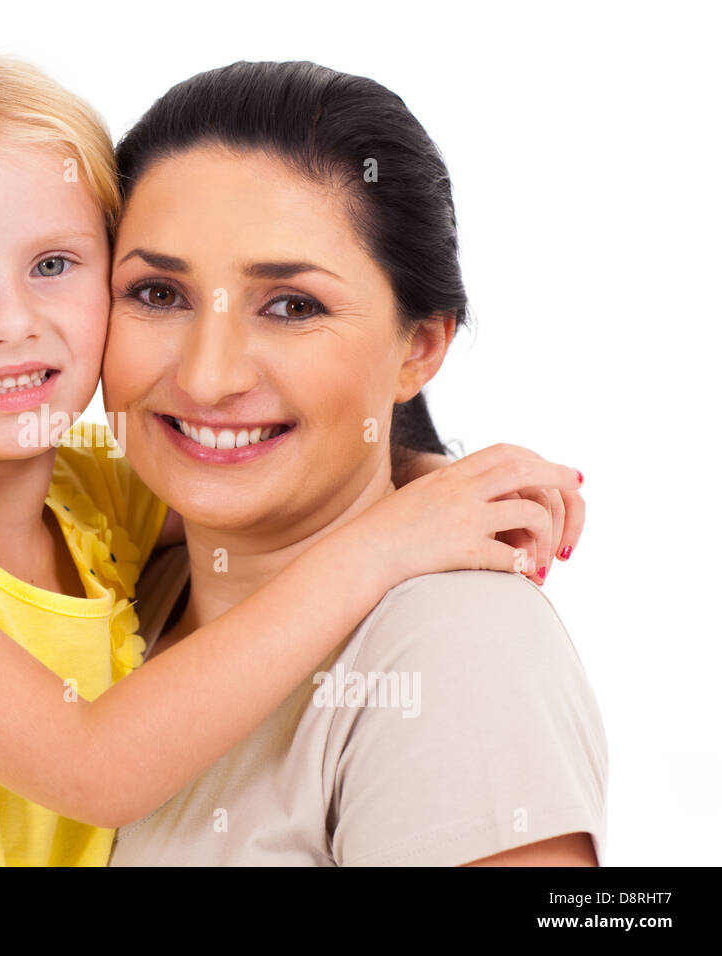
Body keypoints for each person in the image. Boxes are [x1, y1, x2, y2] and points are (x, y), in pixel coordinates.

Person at [0, 50, 583, 865]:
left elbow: (301, 489)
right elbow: (91, 767)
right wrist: (393, 536)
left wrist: (453, 487)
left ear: (420, 346)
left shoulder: (92, 498)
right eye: (158, 293)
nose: (12, 324)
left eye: (54, 265)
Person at [104, 60, 606, 867]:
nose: (206, 375)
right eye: (159, 294)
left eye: (293, 306)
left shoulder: (455, 647)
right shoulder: (122, 582)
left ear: (419, 347)